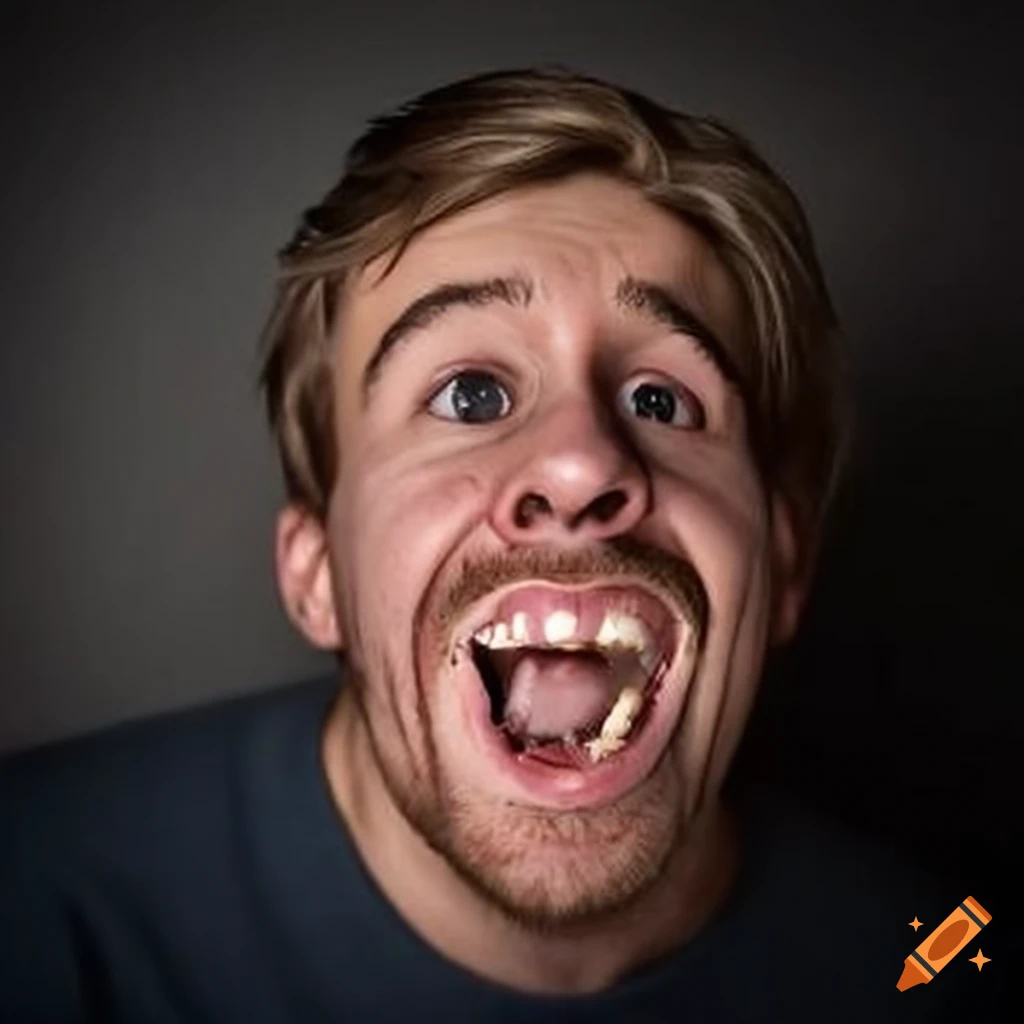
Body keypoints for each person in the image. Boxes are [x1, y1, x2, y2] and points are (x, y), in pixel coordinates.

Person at [1, 68, 1007, 1022]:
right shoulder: (32, 905)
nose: (578, 465)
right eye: (469, 394)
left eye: (663, 399)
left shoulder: (941, 970)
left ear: (785, 564)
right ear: (316, 577)